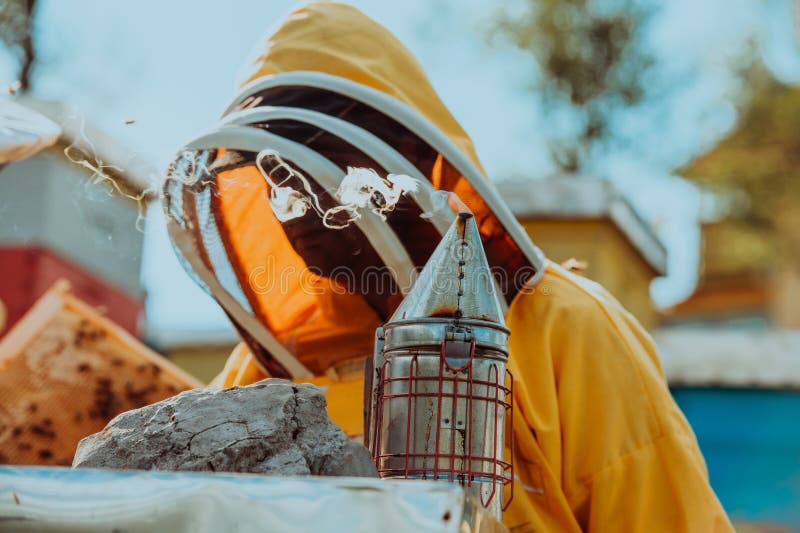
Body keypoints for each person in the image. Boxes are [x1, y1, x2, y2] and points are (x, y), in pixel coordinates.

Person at [163, 3, 733, 531]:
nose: (302, 203)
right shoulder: (262, 374)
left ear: (411, 158)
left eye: (324, 165)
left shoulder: (569, 331)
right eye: (276, 180)